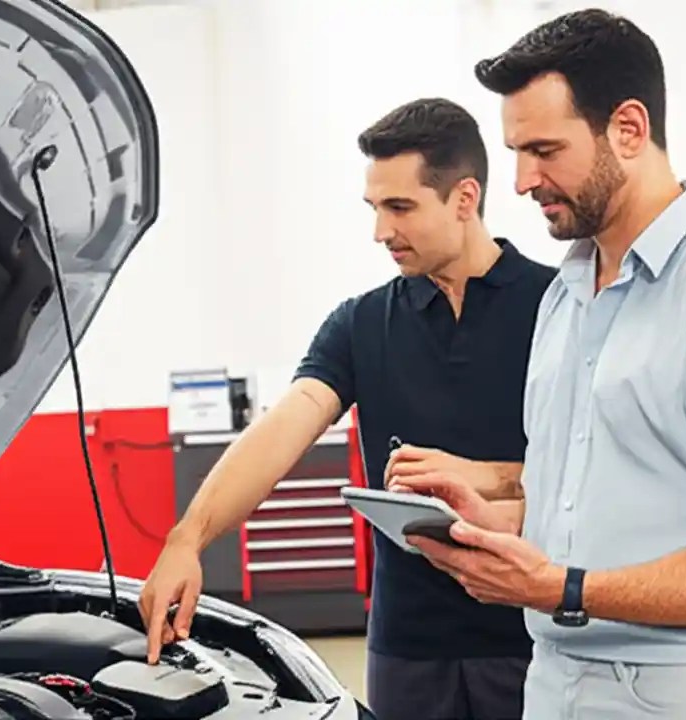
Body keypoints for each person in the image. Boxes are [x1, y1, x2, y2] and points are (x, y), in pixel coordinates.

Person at [389, 8, 686, 720]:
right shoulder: (567, 297)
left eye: (543, 150)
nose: (519, 180)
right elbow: (594, 509)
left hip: (682, 697)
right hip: (556, 682)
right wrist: (505, 521)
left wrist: (564, 588)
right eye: (515, 152)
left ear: (628, 130)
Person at [136, 97, 557, 720]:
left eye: (400, 208)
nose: (381, 231)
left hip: (535, 636)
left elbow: (597, 468)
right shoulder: (361, 324)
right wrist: (187, 538)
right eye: (375, 208)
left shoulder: (559, 307)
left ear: (464, 198)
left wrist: (484, 474)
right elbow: (284, 427)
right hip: (408, 650)